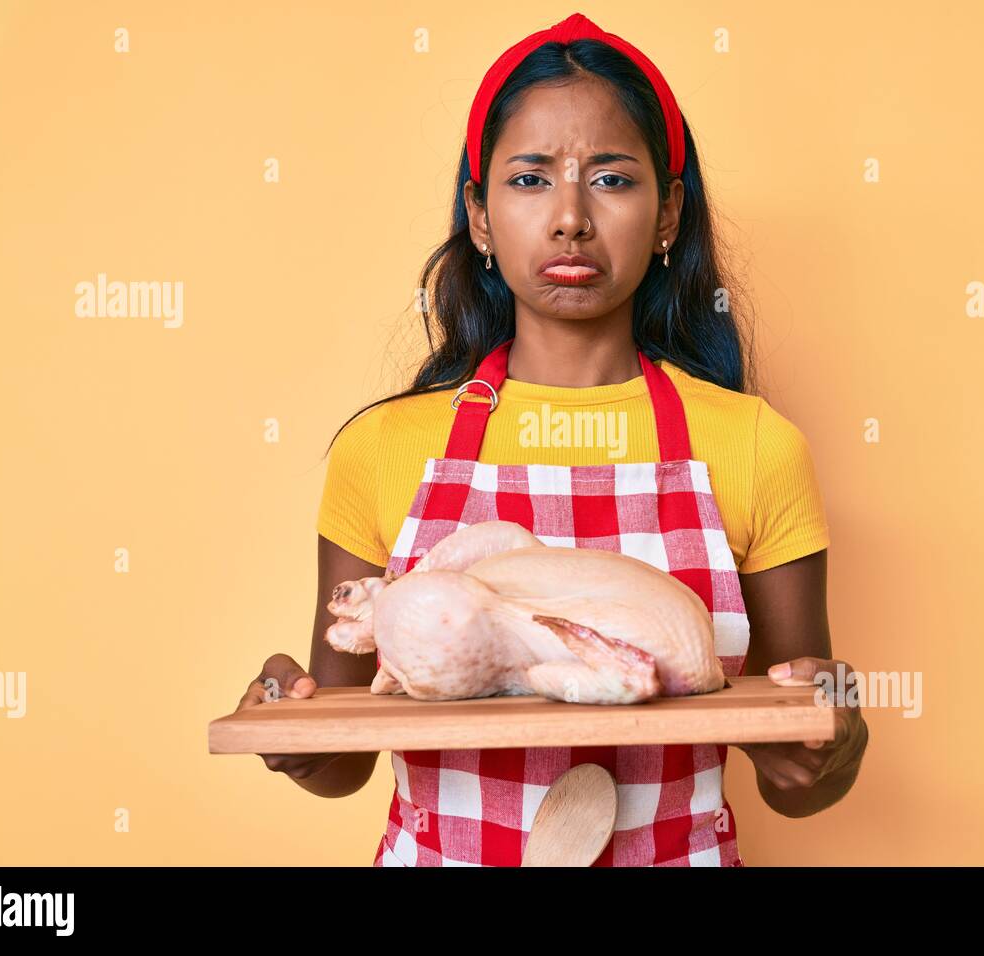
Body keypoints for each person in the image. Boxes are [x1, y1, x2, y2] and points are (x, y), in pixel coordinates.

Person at [233, 12, 868, 866]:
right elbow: (341, 755)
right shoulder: (384, 448)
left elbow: (800, 772)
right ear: (481, 217)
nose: (570, 218)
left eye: (611, 179)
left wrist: (831, 739)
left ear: (669, 209)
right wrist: (292, 720)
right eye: (530, 180)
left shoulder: (753, 446)